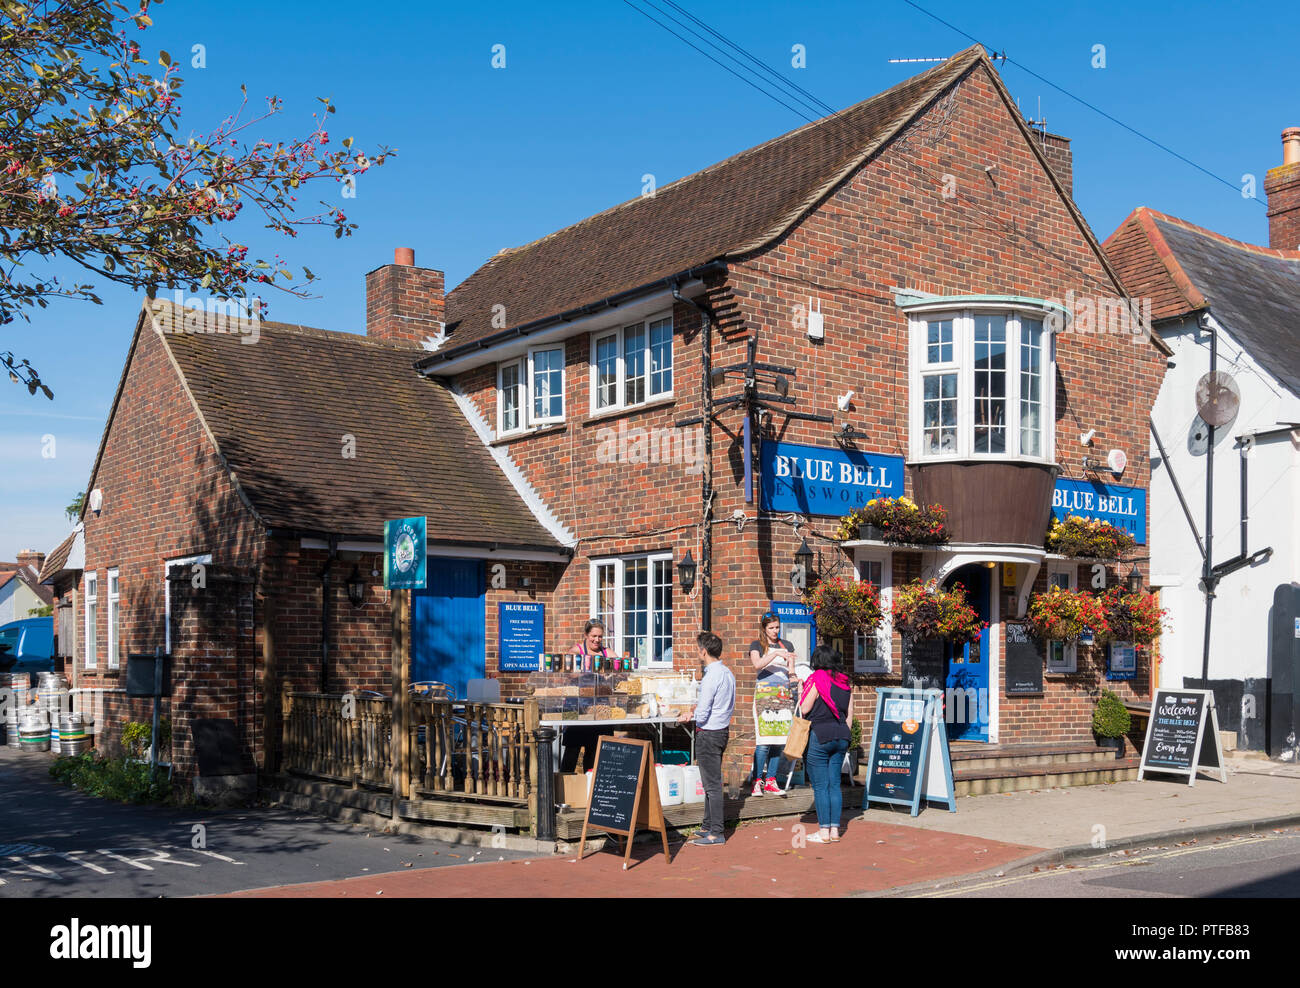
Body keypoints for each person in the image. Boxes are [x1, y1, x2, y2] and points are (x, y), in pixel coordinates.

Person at [678, 631, 735, 846]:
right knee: (711, 782)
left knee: (712, 785)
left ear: (704, 651)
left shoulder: (711, 675)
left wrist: (689, 715)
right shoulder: (727, 673)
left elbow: (702, 713)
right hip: (721, 730)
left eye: (697, 649)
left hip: (709, 733)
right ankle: (707, 825)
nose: (697, 652)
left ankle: (717, 832)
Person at [798, 644, 853, 844]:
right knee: (834, 785)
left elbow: (804, 708)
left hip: (820, 735)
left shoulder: (817, 678)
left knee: (820, 787)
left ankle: (823, 832)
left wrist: (800, 690)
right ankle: (835, 831)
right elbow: (849, 717)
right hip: (841, 735)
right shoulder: (845, 683)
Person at [748, 612, 799, 796]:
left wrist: (795, 680)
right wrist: (776, 652)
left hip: (783, 695)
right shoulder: (757, 645)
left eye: (777, 627)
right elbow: (757, 664)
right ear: (764, 628)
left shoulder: (788, 645)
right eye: (771, 628)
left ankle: (771, 780)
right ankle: (757, 781)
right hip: (764, 695)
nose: (775, 631)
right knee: (764, 741)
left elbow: (791, 671)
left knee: (779, 741)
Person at [560, 619, 611, 773]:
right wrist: (592, 668)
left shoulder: (606, 652)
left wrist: (615, 672)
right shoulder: (576, 651)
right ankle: (564, 789)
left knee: (595, 752)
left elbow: (620, 665)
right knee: (571, 751)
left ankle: (590, 790)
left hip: (599, 708)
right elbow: (568, 673)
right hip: (573, 707)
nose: (597, 640)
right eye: (593, 636)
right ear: (586, 635)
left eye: (600, 637)